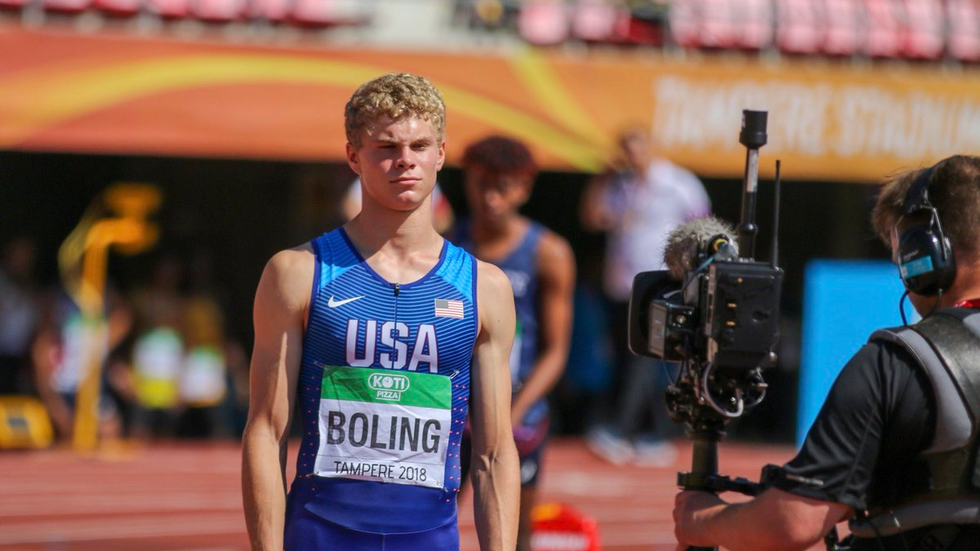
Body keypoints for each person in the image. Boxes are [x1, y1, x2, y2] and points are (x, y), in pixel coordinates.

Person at [241, 73, 520, 551]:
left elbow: (494, 453)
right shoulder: (297, 273)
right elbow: (266, 431)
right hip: (320, 534)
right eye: (387, 147)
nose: (405, 160)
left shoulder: (485, 287)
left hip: (429, 538)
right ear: (354, 156)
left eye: (419, 145)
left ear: (441, 154)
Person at [673, 154, 980, 551]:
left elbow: (791, 523)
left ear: (925, 252)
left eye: (900, 257)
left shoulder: (894, 363)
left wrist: (700, 518)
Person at [454, 135, 576, 551]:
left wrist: (512, 414)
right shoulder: (446, 245)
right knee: (432, 518)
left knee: (513, 531)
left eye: (502, 187)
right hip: (454, 406)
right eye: (481, 185)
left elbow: (556, 350)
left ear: (524, 188)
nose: (490, 198)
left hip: (518, 410)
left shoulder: (548, 253)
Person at [581, 126, 709, 465]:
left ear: (651, 147)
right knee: (627, 358)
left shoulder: (678, 183)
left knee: (644, 357)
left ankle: (621, 429)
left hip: (661, 282)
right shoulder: (619, 185)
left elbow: (702, 226)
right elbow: (594, 218)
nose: (631, 156)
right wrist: (602, 177)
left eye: (636, 148)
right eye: (625, 150)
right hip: (622, 284)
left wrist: (687, 271)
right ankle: (652, 433)